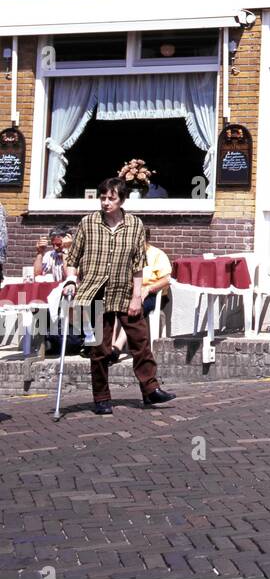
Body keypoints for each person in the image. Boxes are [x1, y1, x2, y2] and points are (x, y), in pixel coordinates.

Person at [63, 178, 176, 415]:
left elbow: (138, 265)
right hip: (94, 292)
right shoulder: (88, 223)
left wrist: (137, 297)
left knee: (140, 341)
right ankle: (102, 397)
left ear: (122, 199)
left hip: (125, 291)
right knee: (100, 349)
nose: (105, 203)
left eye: (111, 198)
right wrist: (71, 279)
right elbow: (72, 259)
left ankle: (150, 390)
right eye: (103, 198)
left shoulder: (135, 225)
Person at [111, 227, 172, 362]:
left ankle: (117, 347)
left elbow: (167, 279)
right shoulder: (126, 254)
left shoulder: (157, 254)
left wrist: (149, 288)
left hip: (152, 294)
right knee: (108, 306)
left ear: (145, 239)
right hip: (128, 291)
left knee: (134, 308)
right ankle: (107, 347)